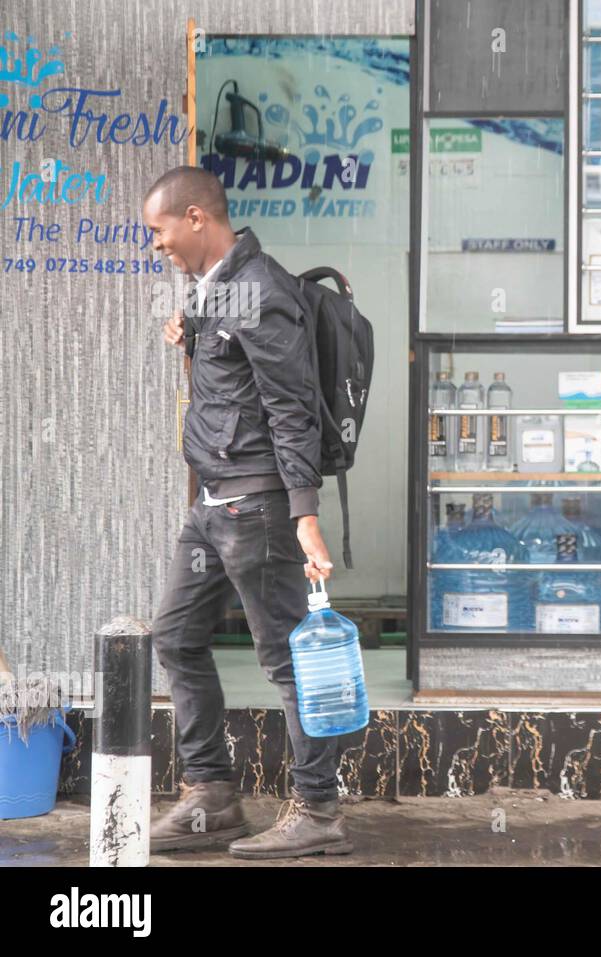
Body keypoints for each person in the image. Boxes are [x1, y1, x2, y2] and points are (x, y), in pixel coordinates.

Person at [143, 166, 352, 859]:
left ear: (197, 217)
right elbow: (228, 376)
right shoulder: (217, 291)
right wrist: (189, 330)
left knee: (291, 659)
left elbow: (291, 409)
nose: (156, 245)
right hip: (211, 504)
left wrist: (304, 513)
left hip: (256, 506)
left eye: (159, 230)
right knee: (174, 636)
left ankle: (318, 809)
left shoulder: (258, 292)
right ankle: (213, 796)